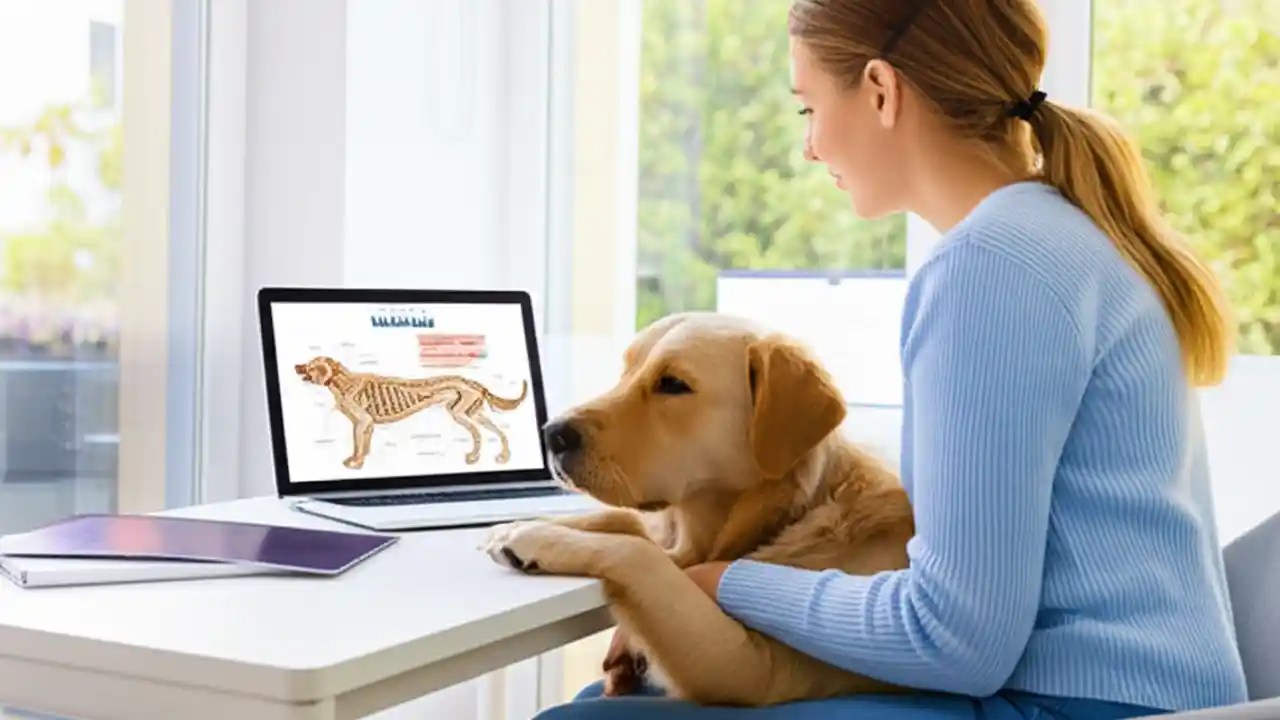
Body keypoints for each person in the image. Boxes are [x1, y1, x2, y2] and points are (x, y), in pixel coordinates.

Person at [535, 0, 1248, 718]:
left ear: (881, 89)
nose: (809, 147)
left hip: (1074, 705)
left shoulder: (991, 267)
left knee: (584, 717)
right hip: (1130, 695)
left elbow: (956, 638)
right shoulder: (1061, 234)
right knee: (615, 699)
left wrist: (719, 583)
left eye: (806, 108)